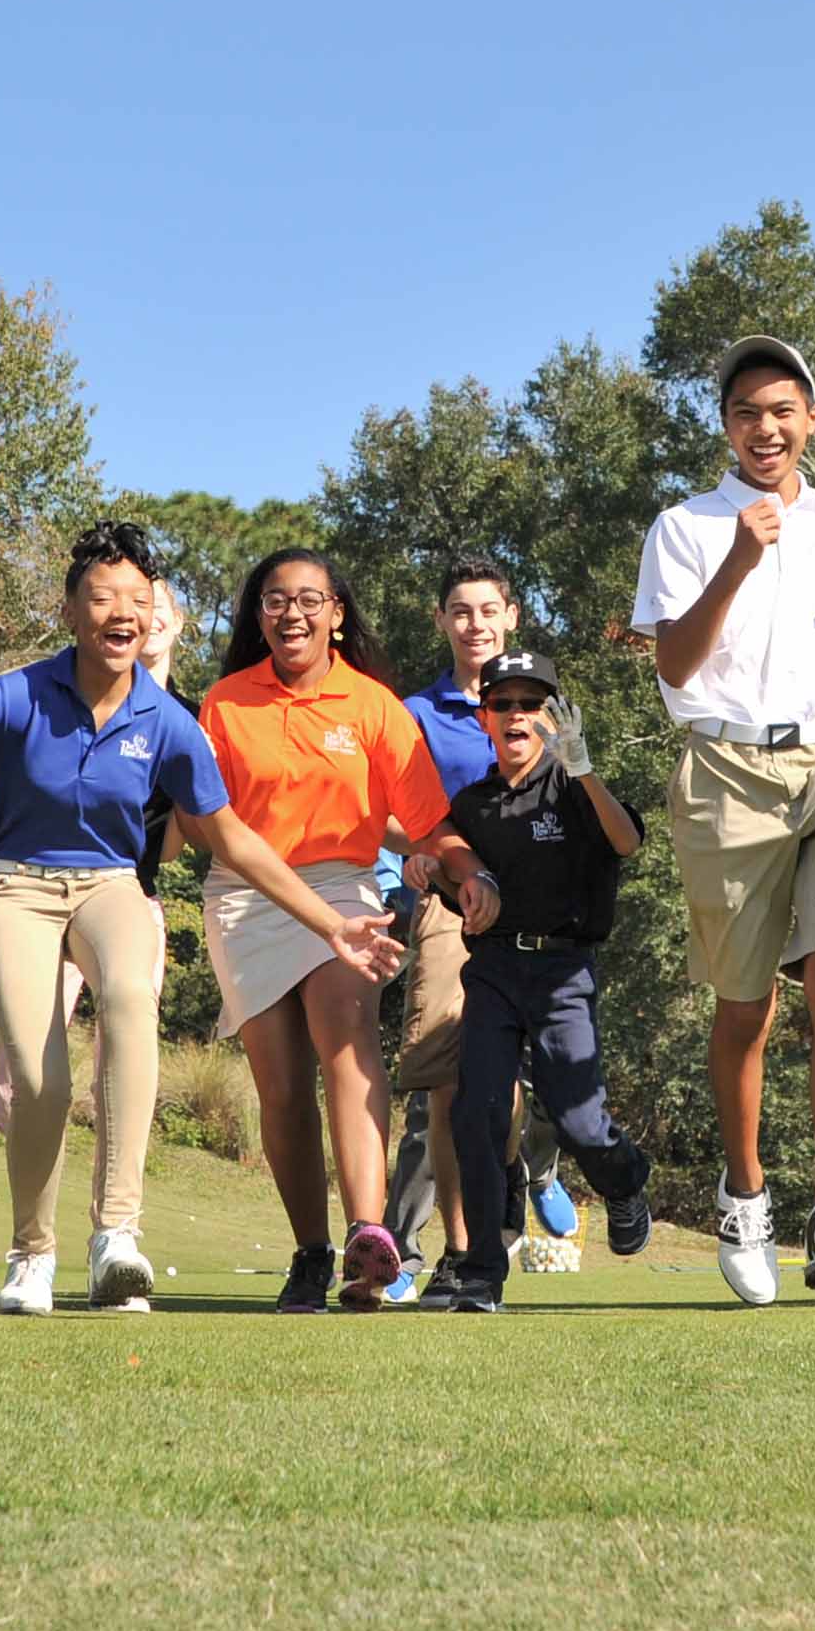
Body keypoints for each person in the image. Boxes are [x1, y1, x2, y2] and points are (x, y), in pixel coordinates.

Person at [0, 521, 391, 1315]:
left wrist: (330, 923)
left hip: (112, 885)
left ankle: (117, 1239)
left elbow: (230, 838)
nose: (121, 613)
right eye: (102, 598)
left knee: (129, 1004)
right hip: (18, 888)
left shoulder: (170, 721)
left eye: (137, 602)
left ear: (151, 619)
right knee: (40, 1077)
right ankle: (31, 1255)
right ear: (71, 611)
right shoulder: (16, 694)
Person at [630, 336, 815, 1304]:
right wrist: (740, 558)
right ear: (725, 425)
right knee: (745, 1006)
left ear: (811, 421)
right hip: (724, 767)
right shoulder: (684, 525)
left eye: (782, 409)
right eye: (747, 410)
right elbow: (673, 663)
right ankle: (745, 1195)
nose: (765, 427)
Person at [199, 546, 463, 1312]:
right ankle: (311, 1255)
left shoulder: (374, 706)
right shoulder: (224, 702)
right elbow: (210, 825)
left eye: (311, 600)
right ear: (259, 615)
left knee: (348, 1041)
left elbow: (426, 824)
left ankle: (369, 1239)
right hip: (245, 896)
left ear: (337, 615)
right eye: (276, 601)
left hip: (342, 887)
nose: (293, 614)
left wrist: (471, 872)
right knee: (281, 1089)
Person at [417, 649, 656, 1313]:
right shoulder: (474, 802)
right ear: (485, 719)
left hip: (562, 969)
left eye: (531, 704)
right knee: (479, 1112)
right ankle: (482, 1271)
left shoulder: (574, 785)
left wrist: (585, 771)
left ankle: (625, 1177)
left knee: (579, 1119)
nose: (517, 715)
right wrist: (428, 869)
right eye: (503, 705)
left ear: (551, 716)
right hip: (493, 967)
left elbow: (627, 843)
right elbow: (448, 865)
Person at [382, 559, 561, 1301]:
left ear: (511, 616)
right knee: (448, 1083)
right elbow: (386, 813)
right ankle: (461, 1249)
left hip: (539, 913)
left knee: (514, 1090)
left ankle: (520, 1168)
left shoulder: (541, 706)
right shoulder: (415, 713)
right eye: (460, 611)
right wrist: (427, 852)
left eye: (488, 610)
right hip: (450, 907)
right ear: (442, 622)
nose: (475, 624)